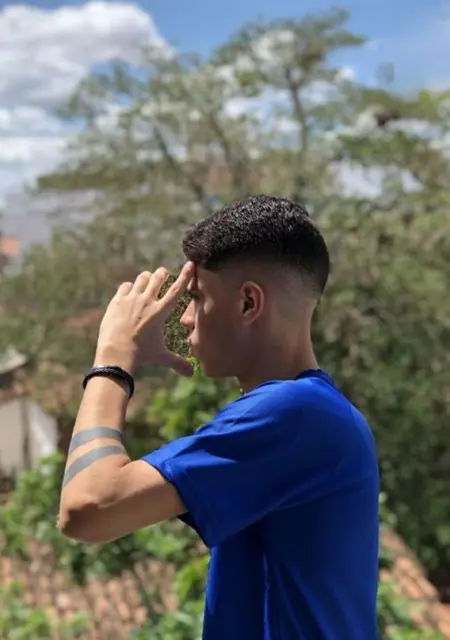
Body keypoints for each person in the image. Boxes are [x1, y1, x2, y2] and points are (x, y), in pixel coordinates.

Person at [58, 195, 379, 640]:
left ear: (248, 303)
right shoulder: (318, 415)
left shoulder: (296, 413)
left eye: (196, 298)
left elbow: (88, 507)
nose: (186, 319)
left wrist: (112, 361)